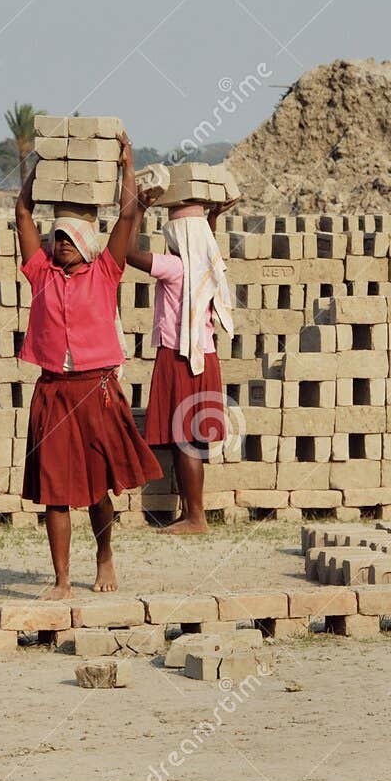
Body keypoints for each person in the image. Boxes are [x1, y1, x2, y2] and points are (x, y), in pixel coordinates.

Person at [15, 134, 160, 596]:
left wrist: (127, 165)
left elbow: (127, 215)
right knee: (55, 493)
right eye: (56, 237)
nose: (60, 244)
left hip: (95, 391)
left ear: (85, 242)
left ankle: (104, 556)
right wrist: (36, 170)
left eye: (69, 237)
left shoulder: (105, 272)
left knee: (97, 489)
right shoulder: (40, 274)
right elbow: (22, 215)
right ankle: (61, 578)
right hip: (53, 392)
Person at [127, 191, 236, 535]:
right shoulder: (207, 263)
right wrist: (212, 217)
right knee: (191, 437)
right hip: (205, 356)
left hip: (180, 357)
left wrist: (139, 209)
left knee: (185, 437)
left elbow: (128, 253)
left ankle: (196, 517)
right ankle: (192, 512)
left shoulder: (174, 267)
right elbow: (203, 241)